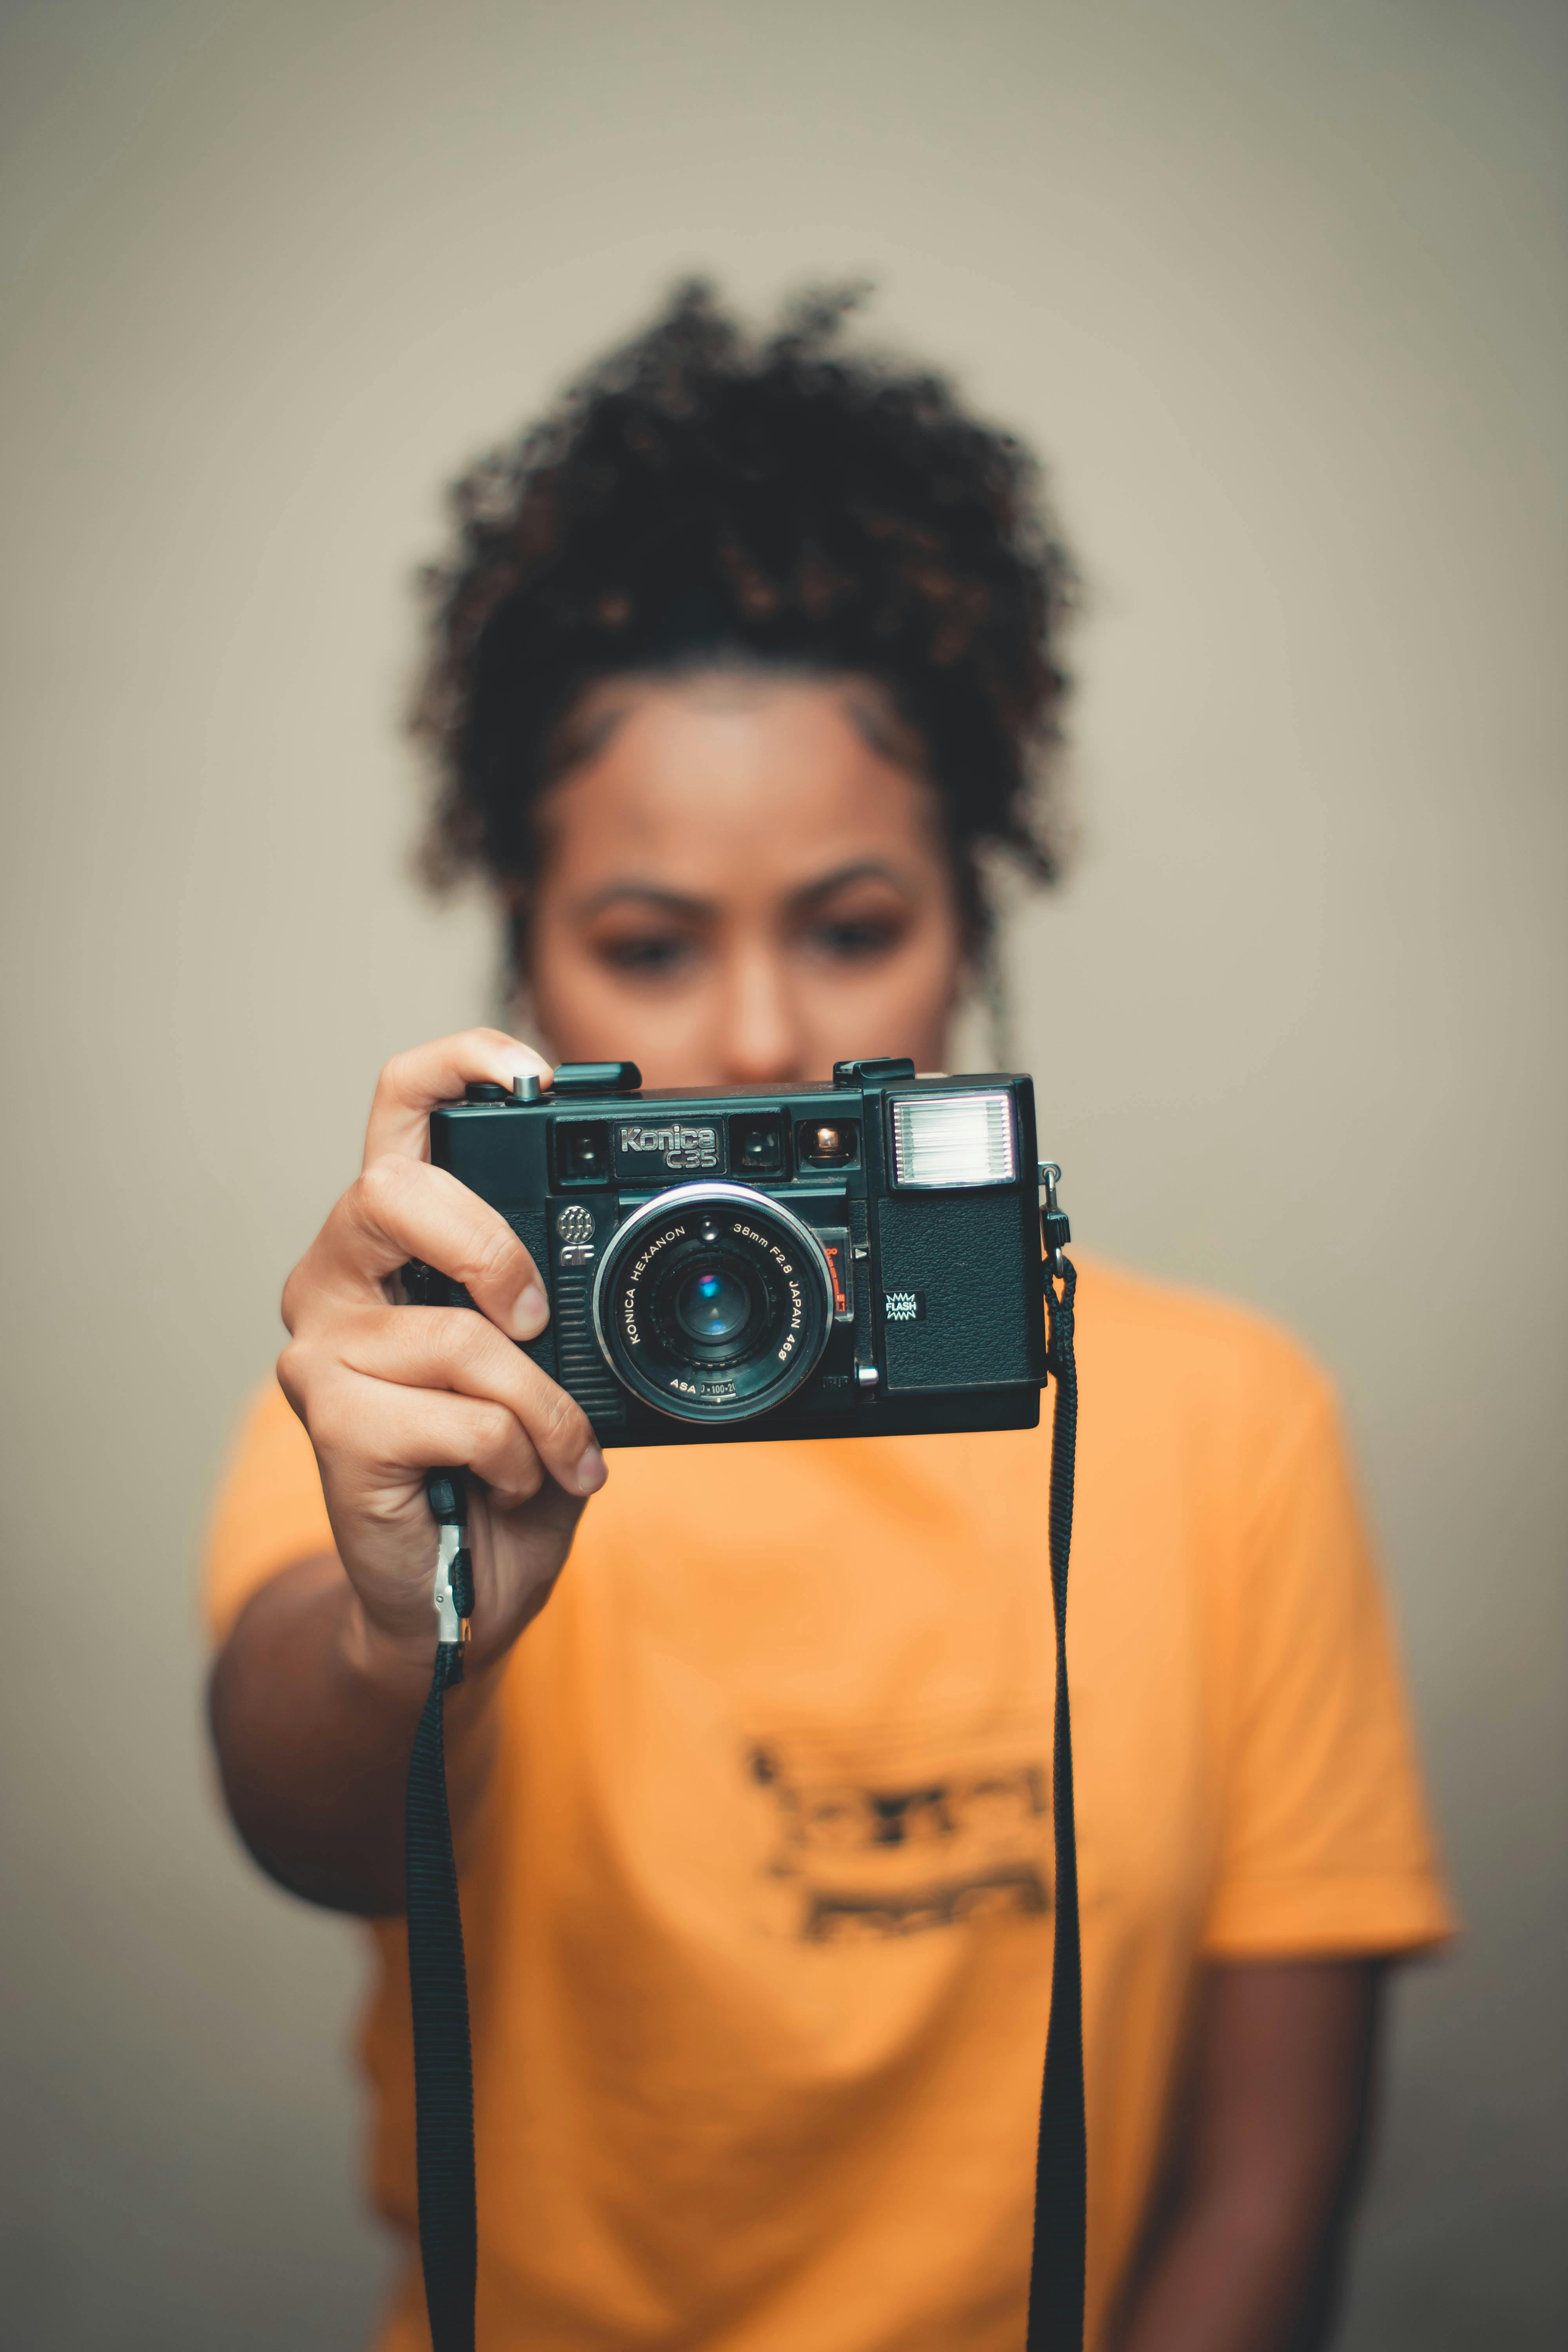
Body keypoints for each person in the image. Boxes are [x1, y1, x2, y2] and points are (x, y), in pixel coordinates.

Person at [205, 285, 1452, 2352]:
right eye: (650, 945)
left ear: (974, 922)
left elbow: (1268, 2180)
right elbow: (306, 1816)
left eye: (855, 929)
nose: (764, 1035)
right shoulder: (419, 1387)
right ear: (524, 957)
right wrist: (398, 1620)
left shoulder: (1228, 1423)